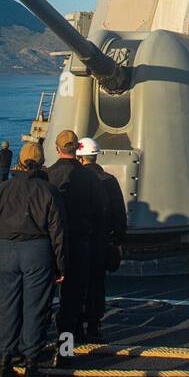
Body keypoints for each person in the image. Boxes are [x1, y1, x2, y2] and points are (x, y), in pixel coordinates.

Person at [0, 142, 65, 377]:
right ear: (41, 161)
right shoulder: (48, 190)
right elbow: (57, 232)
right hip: (37, 250)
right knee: (35, 309)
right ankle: (31, 367)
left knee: (7, 308)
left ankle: (5, 364)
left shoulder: (3, 189)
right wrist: (60, 266)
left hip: (7, 250)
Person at [45, 129, 102, 345]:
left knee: (43, 296)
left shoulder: (48, 175)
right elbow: (99, 210)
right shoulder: (90, 177)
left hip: (50, 244)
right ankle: (68, 345)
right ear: (77, 148)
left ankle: (36, 345)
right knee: (73, 297)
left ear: (56, 149)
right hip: (80, 242)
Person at [76, 137, 126, 340]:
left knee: (76, 287)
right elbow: (119, 215)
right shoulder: (109, 181)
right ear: (96, 156)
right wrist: (118, 241)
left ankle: (72, 337)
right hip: (100, 243)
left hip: (77, 244)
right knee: (97, 285)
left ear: (80, 158)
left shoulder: (73, 181)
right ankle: (93, 328)